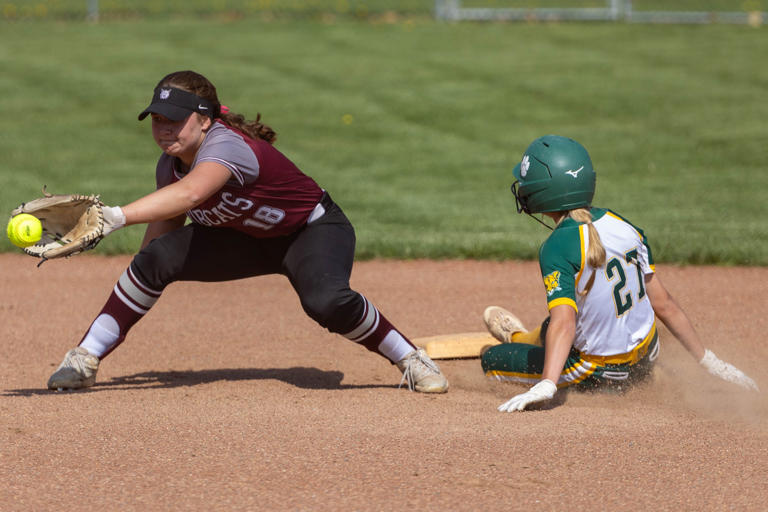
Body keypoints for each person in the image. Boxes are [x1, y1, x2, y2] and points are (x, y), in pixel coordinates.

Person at [47, 70, 448, 394]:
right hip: (246, 241)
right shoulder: (169, 166)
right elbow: (159, 239)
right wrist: (145, 267)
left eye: (175, 119)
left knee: (325, 301)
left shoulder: (227, 146)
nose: (164, 128)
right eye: (157, 119)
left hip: (310, 231)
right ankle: (85, 359)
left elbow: (190, 194)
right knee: (154, 259)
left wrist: (113, 217)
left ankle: (410, 358)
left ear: (205, 120)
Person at [480, 134, 758, 412]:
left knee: (492, 358)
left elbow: (565, 323)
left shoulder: (556, 248)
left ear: (543, 191)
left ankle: (519, 342)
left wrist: (547, 383)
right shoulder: (623, 225)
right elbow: (664, 304)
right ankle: (524, 337)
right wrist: (709, 361)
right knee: (548, 326)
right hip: (648, 354)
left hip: (597, 371)